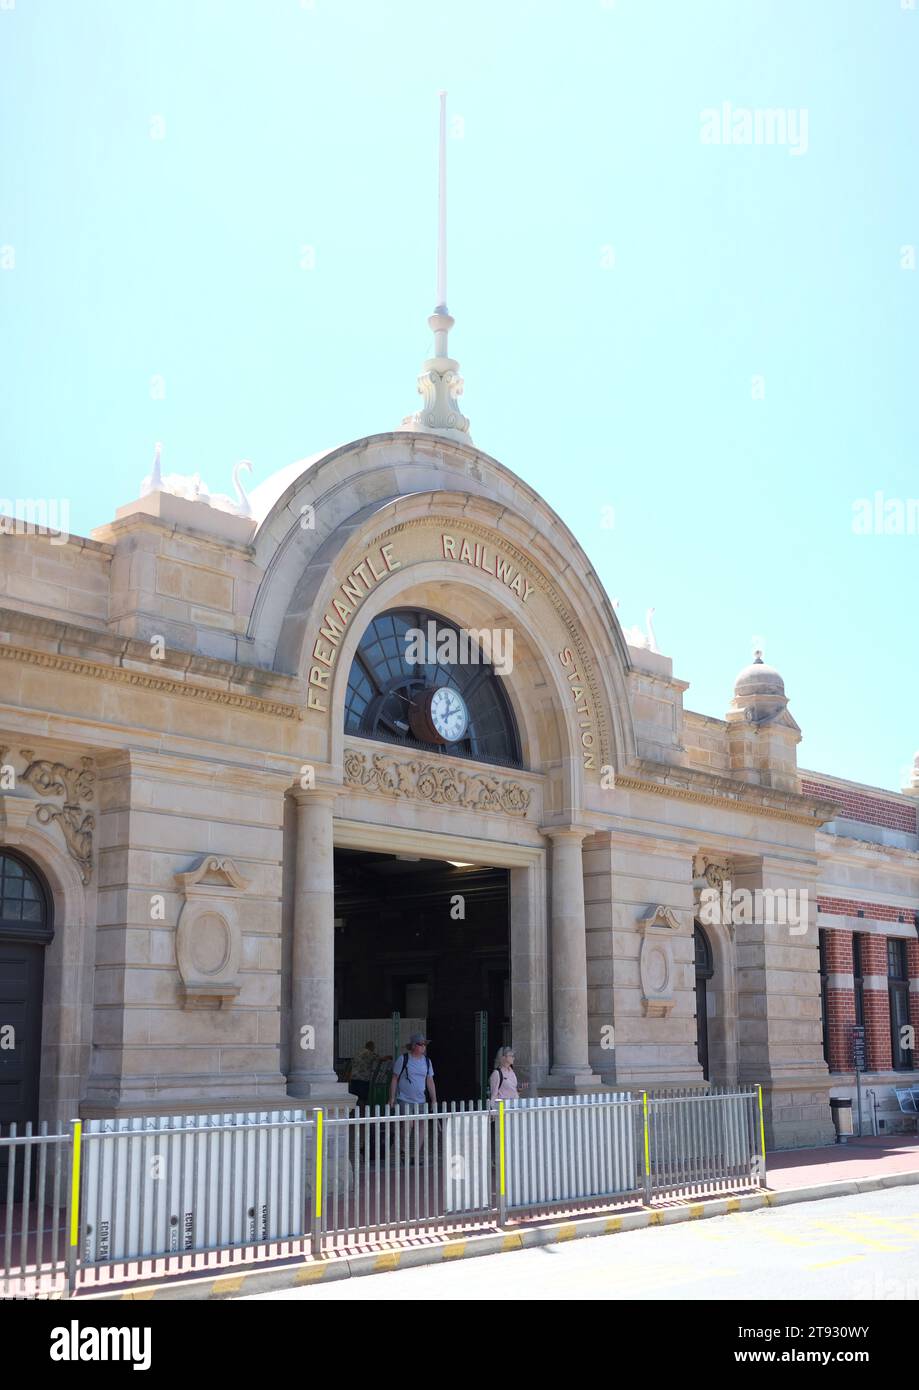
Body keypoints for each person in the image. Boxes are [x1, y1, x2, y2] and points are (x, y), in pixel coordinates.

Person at [389, 1033, 436, 1164]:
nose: (424, 1047)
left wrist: (434, 1099)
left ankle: (414, 1154)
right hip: (404, 1099)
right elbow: (394, 1078)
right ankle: (403, 1150)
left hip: (420, 1100)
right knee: (408, 1124)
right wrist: (392, 1097)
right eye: (421, 1044)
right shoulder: (403, 1059)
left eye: (425, 1044)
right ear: (414, 1046)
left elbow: (430, 1080)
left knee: (422, 1125)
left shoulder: (427, 1061)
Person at [349, 1039, 377, 1109]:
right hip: (363, 1079)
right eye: (373, 1047)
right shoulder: (369, 1053)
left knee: (355, 1097)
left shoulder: (359, 1052)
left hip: (354, 1078)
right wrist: (387, 1058)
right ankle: (362, 1114)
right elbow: (379, 1058)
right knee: (362, 1098)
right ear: (371, 1047)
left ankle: (354, 1113)